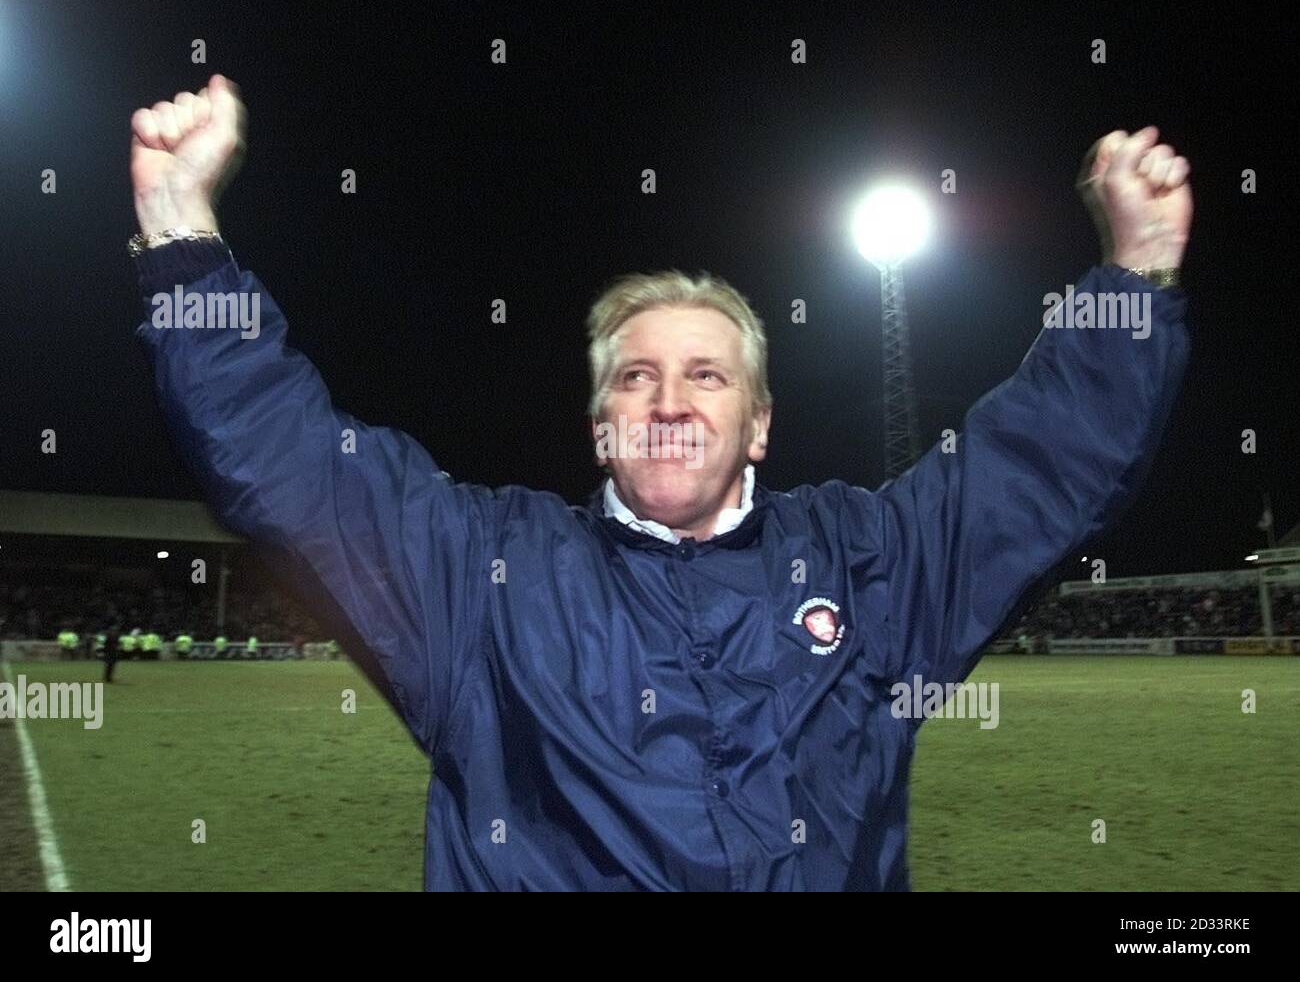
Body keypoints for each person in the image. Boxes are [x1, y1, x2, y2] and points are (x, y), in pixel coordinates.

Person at [128, 75, 1192, 890]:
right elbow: (282, 459)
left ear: (759, 421)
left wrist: (1135, 270)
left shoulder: (869, 564)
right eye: (636, 378)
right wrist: (182, 234)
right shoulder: (483, 574)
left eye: (706, 375)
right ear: (600, 429)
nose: (670, 401)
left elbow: (1038, 468)